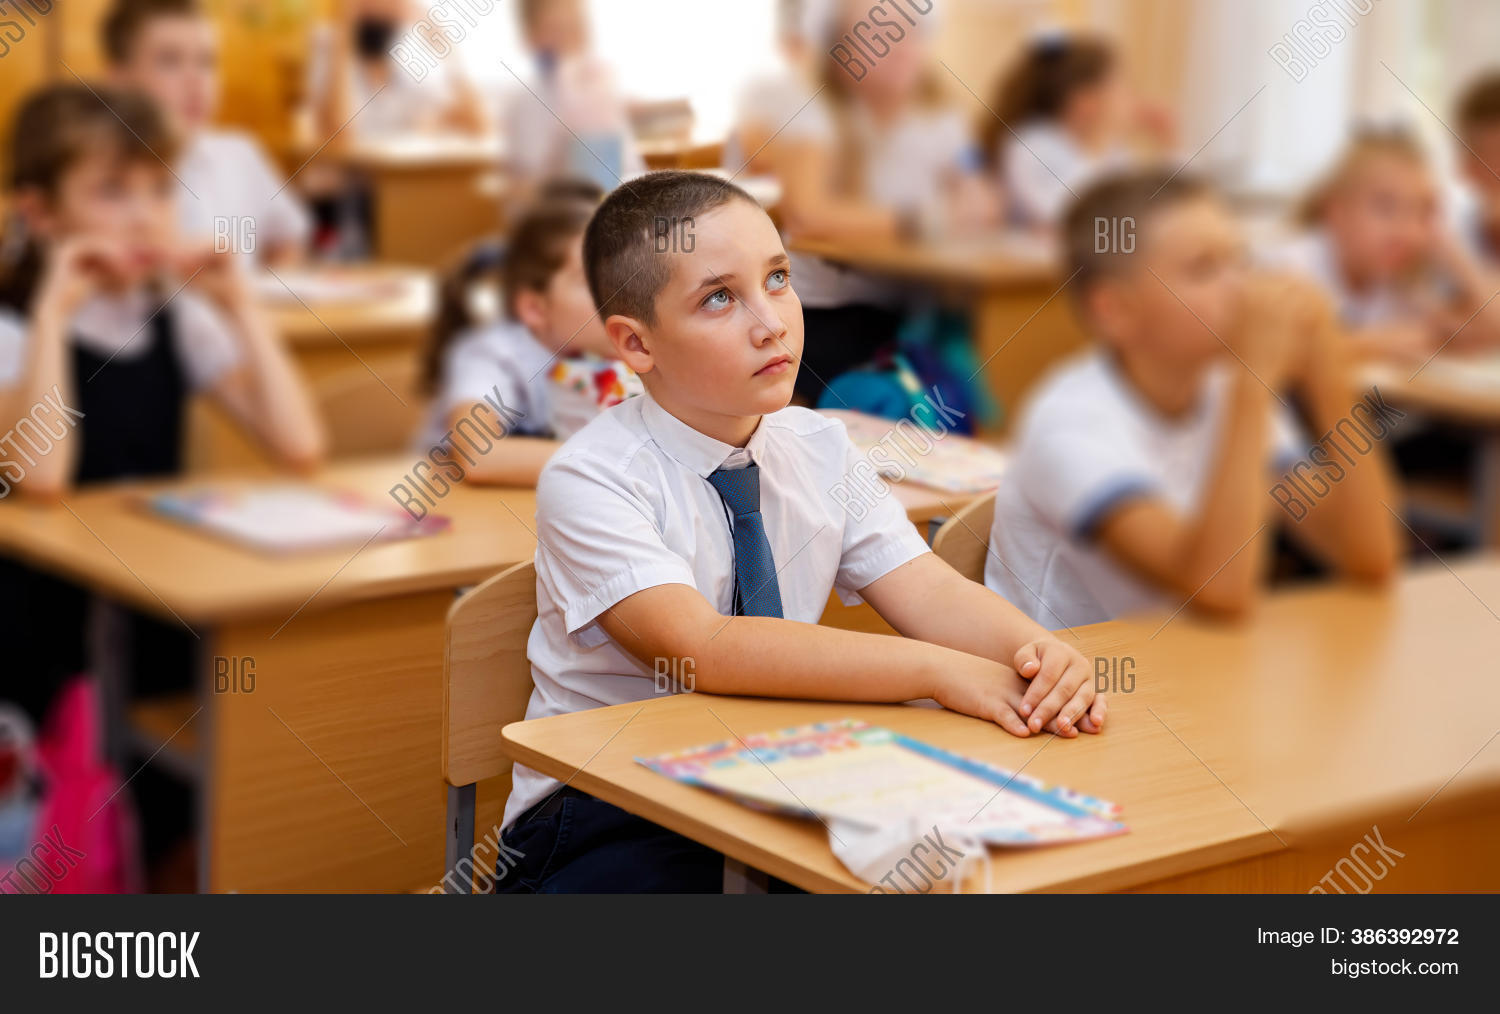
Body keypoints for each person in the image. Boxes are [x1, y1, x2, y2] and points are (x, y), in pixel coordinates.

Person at [497, 171, 1103, 893]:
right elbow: (702, 650)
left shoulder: (820, 445)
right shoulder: (590, 477)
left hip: (791, 772)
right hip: (608, 803)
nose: (771, 321)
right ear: (636, 343)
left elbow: (930, 588)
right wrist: (939, 671)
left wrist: (1035, 654)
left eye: (779, 278)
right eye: (720, 297)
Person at [0, 85, 324, 721]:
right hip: (44, 627)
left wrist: (240, 305)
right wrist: (53, 317)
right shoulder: (16, 329)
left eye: (159, 190)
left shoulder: (173, 317)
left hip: (152, 607)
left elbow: (299, 444)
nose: (145, 215)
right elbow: (41, 477)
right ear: (39, 214)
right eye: (113, 192)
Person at [986, 169, 1399, 629]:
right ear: (1115, 311)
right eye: (1205, 268)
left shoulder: (1222, 389)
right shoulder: (1068, 423)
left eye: (1242, 262)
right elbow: (1216, 589)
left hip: (1187, 672)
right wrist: (1255, 376)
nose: (1242, 288)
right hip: (1069, 687)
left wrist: (1325, 370)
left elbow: (1369, 557)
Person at [416, 185, 639, 486]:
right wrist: (619, 462)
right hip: (460, 518)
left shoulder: (625, 352)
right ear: (534, 308)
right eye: (593, 281)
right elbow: (478, 457)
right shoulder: (495, 355)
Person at [102, 0, 311, 266]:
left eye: (206, 61)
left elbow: (289, 238)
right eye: (170, 61)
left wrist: (260, 296)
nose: (195, 80)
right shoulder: (100, 174)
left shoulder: (239, 154)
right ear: (119, 80)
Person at [1268, 129, 1500, 363]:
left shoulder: (1394, 284)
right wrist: (1388, 340)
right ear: (1335, 211)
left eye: (1420, 212)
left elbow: (1491, 331)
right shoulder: (1292, 267)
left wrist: (1450, 249)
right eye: (1385, 207)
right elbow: (1279, 352)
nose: (1405, 230)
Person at [985, 31, 1175, 228]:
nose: (1133, 98)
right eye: (1122, 87)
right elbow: (1073, 216)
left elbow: (1155, 210)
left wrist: (1168, 143)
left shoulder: (1113, 151)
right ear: (1086, 101)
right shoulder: (1032, 144)